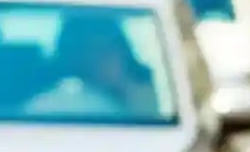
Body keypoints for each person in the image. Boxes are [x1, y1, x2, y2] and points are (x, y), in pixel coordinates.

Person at [25, 16, 158, 120]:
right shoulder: (55, 104)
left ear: (124, 51)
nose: (104, 60)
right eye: (93, 52)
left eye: (109, 49)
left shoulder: (159, 94)